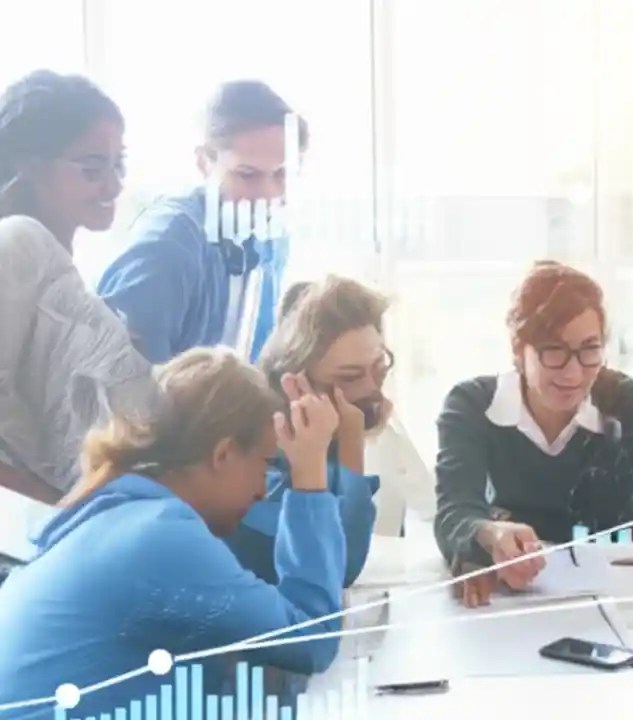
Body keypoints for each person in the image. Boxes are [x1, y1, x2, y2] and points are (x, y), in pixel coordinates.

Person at [0, 349, 345, 719]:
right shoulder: (159, 537)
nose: (264, 490)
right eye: (265, 465)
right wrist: (309, 473)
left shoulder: (115, 516)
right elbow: (312, 641)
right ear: (224, 453)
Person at [434, 261, 633, 607]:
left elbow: (630, 527)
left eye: (589, 349)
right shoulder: (472, 404)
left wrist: (502, 519)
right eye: (554, 350)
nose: (573, 372)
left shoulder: (625, 406)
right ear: (518, 350)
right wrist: (491, 533)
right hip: (503, 601)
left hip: (598, 601)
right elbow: (454, 513)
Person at [0, 70, 153, 504]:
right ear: (30, 166)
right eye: (92, 168)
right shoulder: (17, 244)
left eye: (118, 163)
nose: (113, 185)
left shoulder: (61, 269)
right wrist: (61, 509)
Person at [97, 80, 306, 364]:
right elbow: (127, 391)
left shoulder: (271, 237)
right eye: (247, 174)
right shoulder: (165, 249)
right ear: (204, 162)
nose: (270, 194)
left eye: (282, 174)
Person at [228, 276, 389, 587]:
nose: (372, 388)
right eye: (351, 376)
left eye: (379, 368)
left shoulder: (325, 433)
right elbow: (340, 568)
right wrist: (350, 445)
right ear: (295, 381)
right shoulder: (259, 455)